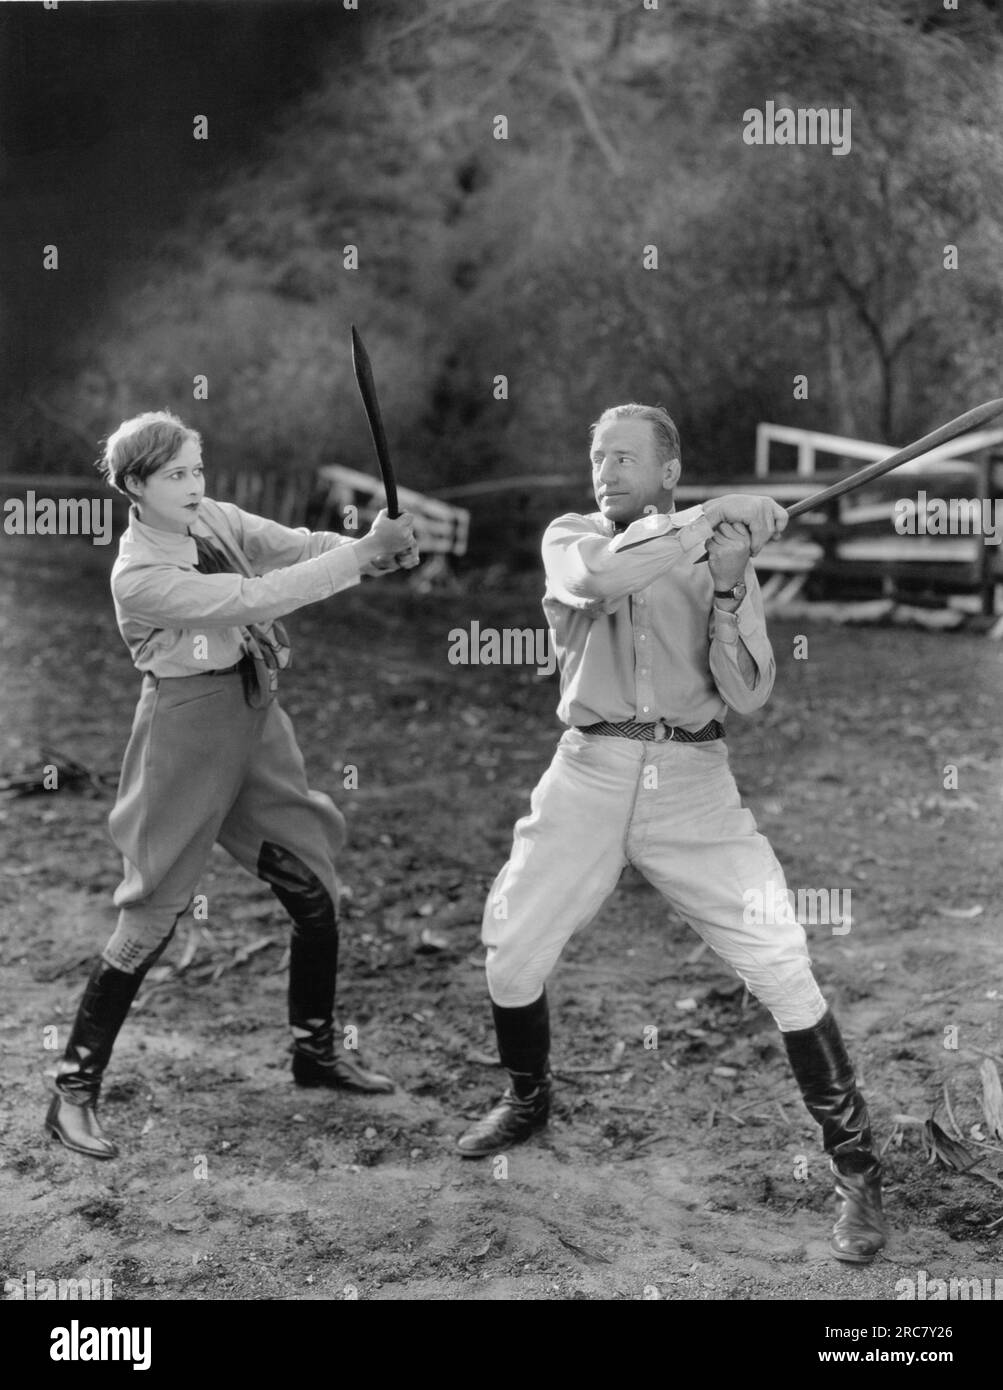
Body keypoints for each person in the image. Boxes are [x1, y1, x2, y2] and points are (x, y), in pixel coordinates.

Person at [455, 403, 886, 1265]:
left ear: (667, 470)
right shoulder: (572, 536)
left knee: (778, 957)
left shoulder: (716, 557)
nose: (605, 469)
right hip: (588, 770)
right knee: (510, 951)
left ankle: (858, 1172)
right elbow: (597, 584)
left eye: (624, 457)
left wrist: (728, 585)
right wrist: (707, 522)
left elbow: (748, 692)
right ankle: (529, 1096)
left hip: (693, 781)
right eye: (596, 455)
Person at [45, 410, 418, 1161]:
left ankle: (313, 1054)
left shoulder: (211, 517)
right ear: (135, 487)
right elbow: (256, 600)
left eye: (196, 468)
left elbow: (292, 549)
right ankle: (71, 1091)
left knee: (315, 882)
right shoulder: (141, 574)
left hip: (252, 712)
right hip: (185, 733)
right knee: (151, 912)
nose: (193, 484)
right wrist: (358, 559)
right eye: (175, 474)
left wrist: (366, 551)